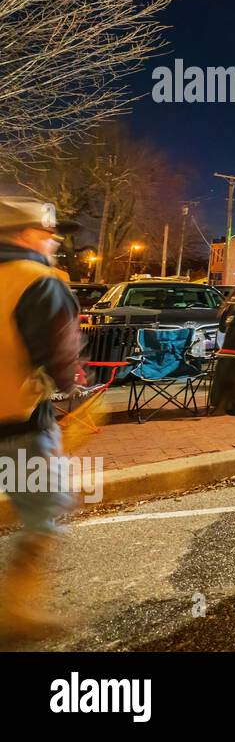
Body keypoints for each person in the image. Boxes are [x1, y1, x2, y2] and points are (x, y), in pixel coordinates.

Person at [0, 197, 81, 641]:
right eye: (48, 234)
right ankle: (16, 611)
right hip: (19, 428)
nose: (53, 242)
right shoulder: (38, 281)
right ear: (25, 235)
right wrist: (66, 383)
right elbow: (60, 357)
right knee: (43, 514)